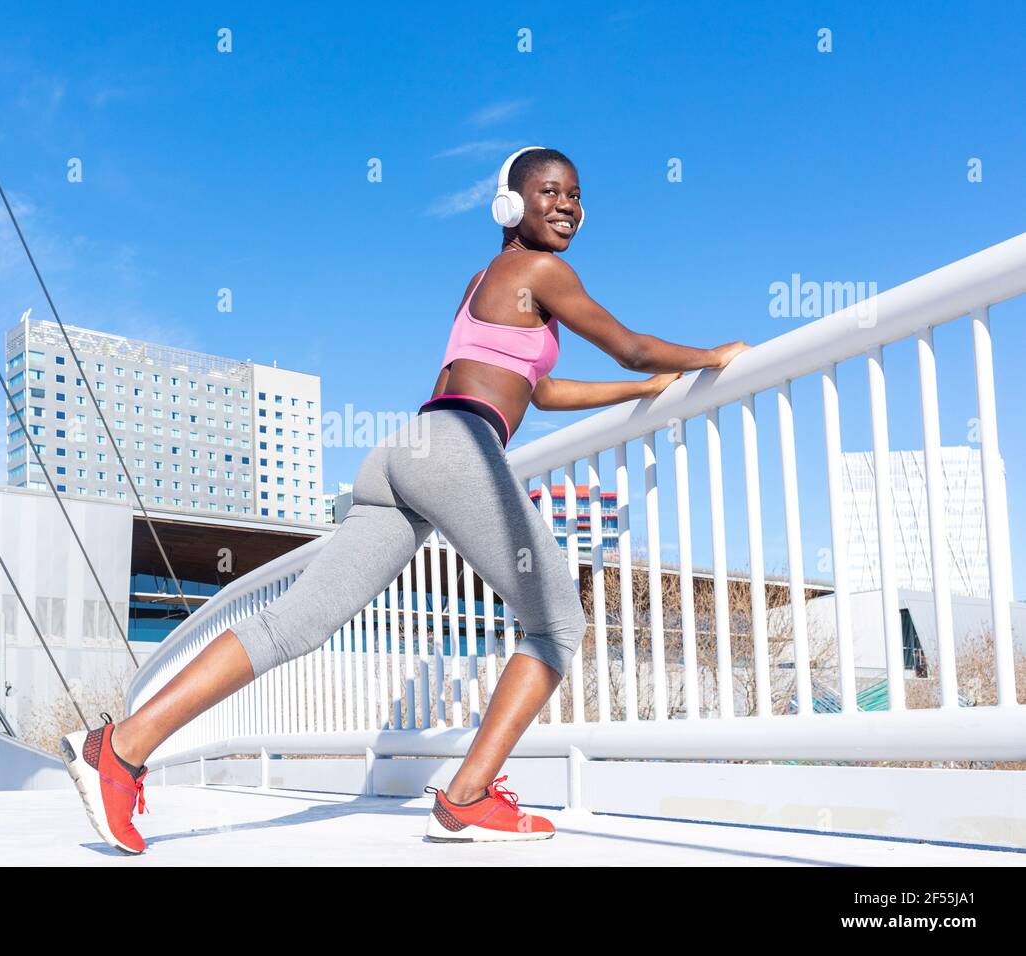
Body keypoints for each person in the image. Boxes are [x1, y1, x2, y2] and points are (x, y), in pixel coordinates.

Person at [60, 146, 750, 853]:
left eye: (576, 194)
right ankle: (467, 797)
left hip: (407, 450)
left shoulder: (488, 280)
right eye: (549, 191)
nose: (568, 205)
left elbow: (540, 392)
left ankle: (119, 748)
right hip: (457, 448)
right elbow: (630, 346)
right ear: (510, 205)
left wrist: (641, 394)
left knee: (293, 624)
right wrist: (711, 358)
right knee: (556, 625)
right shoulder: (542, 269)